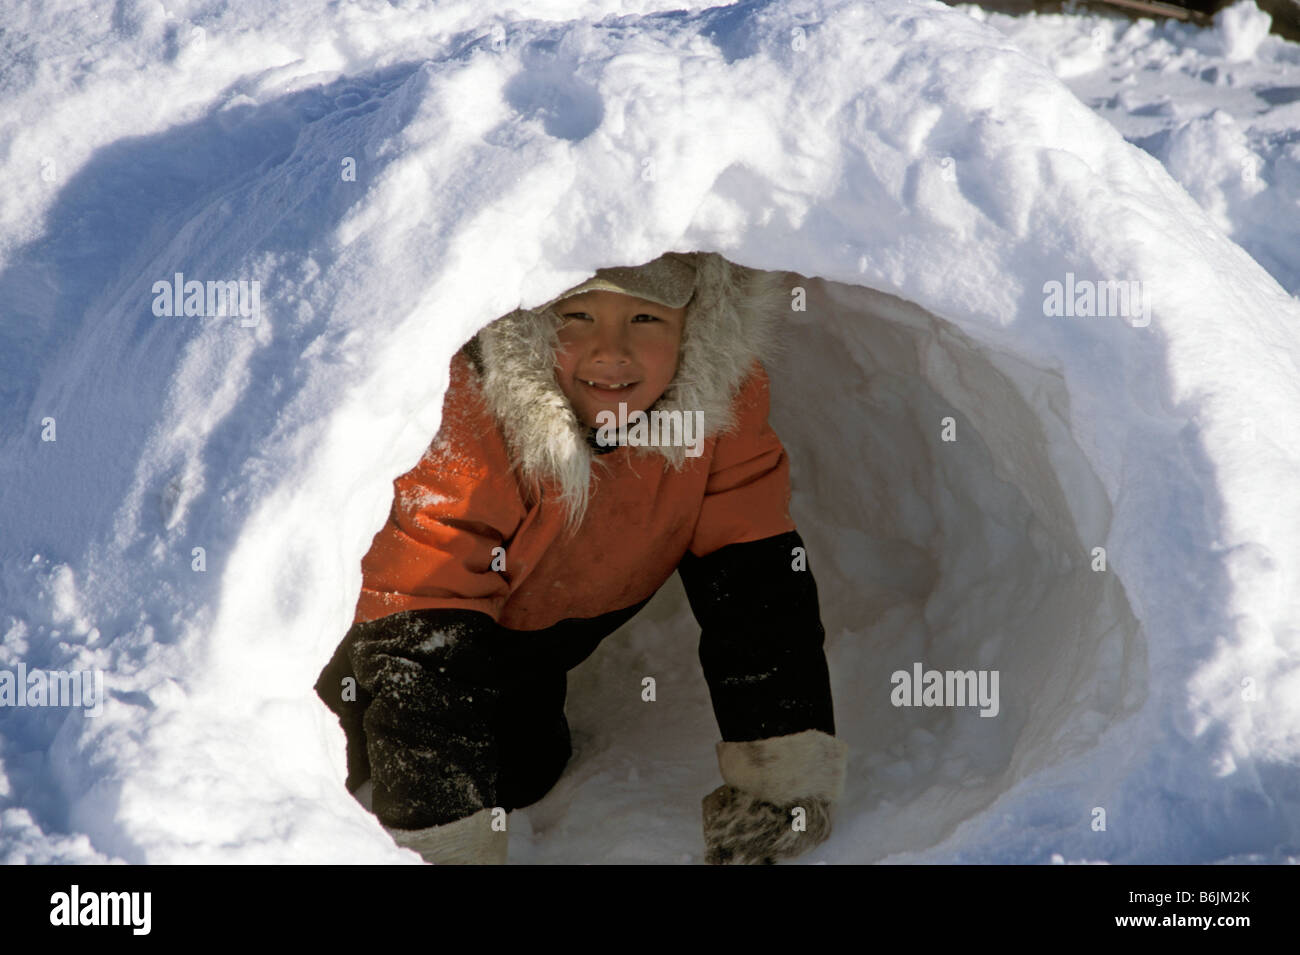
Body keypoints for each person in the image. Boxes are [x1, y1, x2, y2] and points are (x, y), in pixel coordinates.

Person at [315, 251, 848, 864]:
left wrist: (781, 792)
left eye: (646, 319)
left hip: (526, 646)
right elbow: (426, 624)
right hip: (385, 637)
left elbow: (758, 592)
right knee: (337, 760)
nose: (610, 352)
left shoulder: (717, 409)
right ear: (533, 325)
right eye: (577, 315)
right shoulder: (475, 412)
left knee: (522, 773)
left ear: (695, 328)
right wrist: (447, 850)